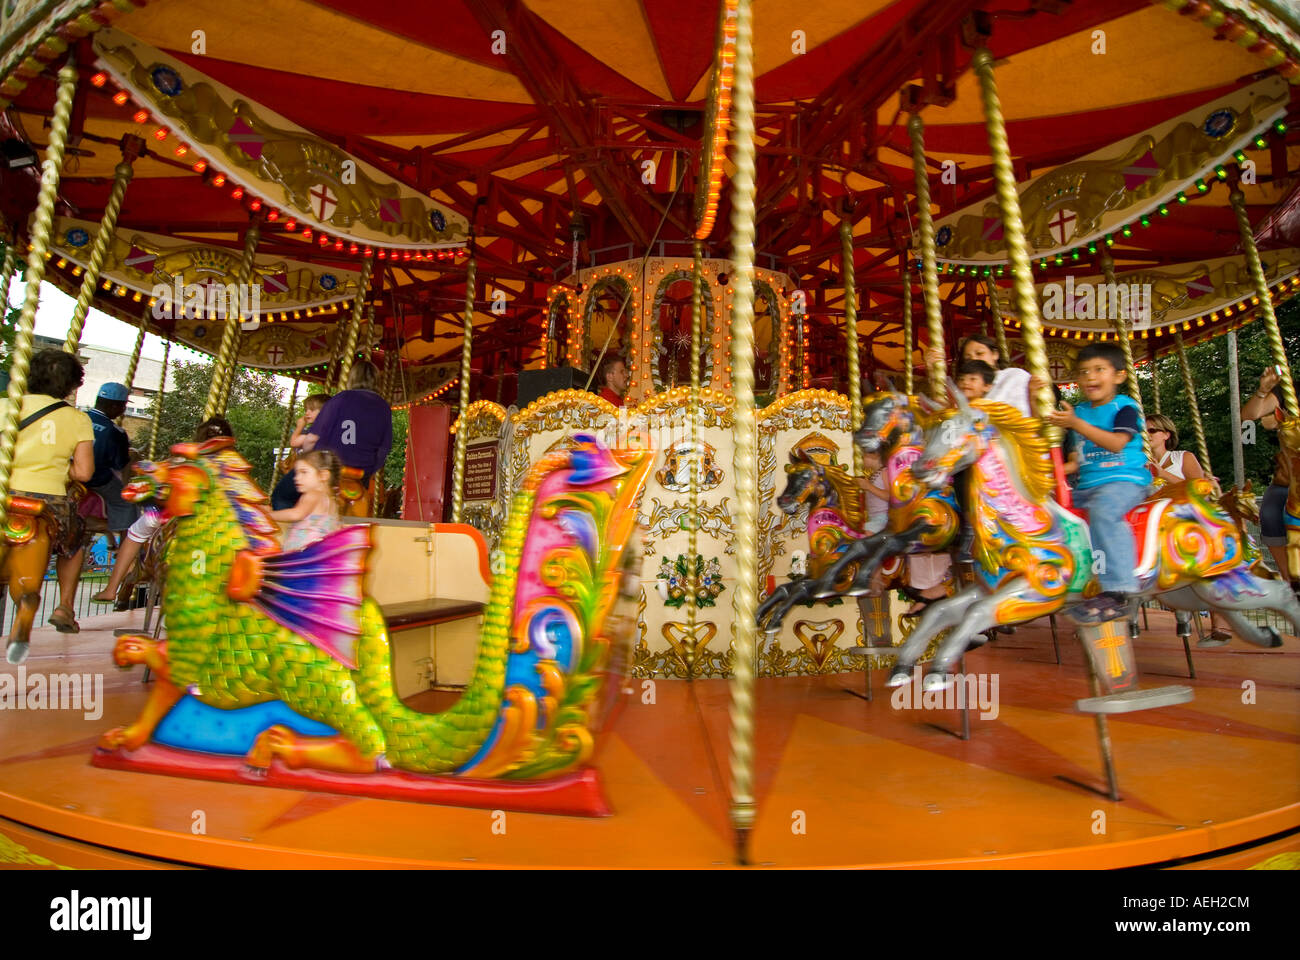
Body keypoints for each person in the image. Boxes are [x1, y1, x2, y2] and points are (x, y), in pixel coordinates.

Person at [2, 349, 95, 661]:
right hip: (48, 502)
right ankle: (62, 605)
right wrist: (59, 468)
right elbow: (83, 472)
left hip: (4, 493)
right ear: (71, 385)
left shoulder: (6, 406)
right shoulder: (77, 419)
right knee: (75, 540)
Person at [1046, 343, 1150, 619]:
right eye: (1084, 372)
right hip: (1088, 485)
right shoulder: (1078, 411)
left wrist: (1075, 424)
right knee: (1047, 512)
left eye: (1099, 370)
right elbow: (1078, 456)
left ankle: (1118, 590)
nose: (1090, 376)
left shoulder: (1125, 407)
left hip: (1124, 479)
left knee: (1104, 512)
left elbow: (1117, 443)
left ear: (1119, 376)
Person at [90, 417, 233, 606]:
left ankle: (111, 588)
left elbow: (158, 478)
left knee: (135, 532)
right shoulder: (232, 463)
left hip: (174, 514)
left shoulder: (183, 458)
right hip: (218, 518)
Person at [297, 362, 392, 508]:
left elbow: (312, 438)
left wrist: (305, 460)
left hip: (330, 468)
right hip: (361, 473)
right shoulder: (383, 407)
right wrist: (370, 470)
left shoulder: (341, 399)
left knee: (288, 492)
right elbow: (384, 448)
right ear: (376, 380)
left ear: (351, 378)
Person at [1240, 366, 1294, 583]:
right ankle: (1290, 579)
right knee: (1270, 512)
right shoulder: (1290, 391)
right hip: (1289, 473)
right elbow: (1249, 416)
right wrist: (1263, 391)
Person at [928, 335, 1043, 416]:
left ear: (995, 354)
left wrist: (1033, 396)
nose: (974, 359)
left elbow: (1037, 419)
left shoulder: (1015, 376)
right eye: (968, 358)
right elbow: (943, 410)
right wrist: (932, 372)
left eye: (979, 353)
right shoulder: (966, 386)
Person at [84, 381, 139, 539]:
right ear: (115, 406)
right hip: (96, 479)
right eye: (123, 406)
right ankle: (124, 547)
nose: (123, 410)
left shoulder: (81, 418)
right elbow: (120, 464)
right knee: (128, 502)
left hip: (70, 471)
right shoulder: (115, 432)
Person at [271, 450, 342, 551]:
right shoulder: (331, 501)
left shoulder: (312, 494)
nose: (296, 478)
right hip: (321, 551)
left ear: (323, 476)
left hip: (302, 552)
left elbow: (295, 514)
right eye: (296, 474)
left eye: (304, 472)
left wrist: (267, 515)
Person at [270, 392, 330, 511]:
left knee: (280, 496)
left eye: (312, 410)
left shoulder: (314, 431)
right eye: (306, 409)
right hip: (323, 469)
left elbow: (294, 442)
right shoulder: (331, 430)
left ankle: (283, 516)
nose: (307, 413)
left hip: (310, 469)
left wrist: (299, 426)